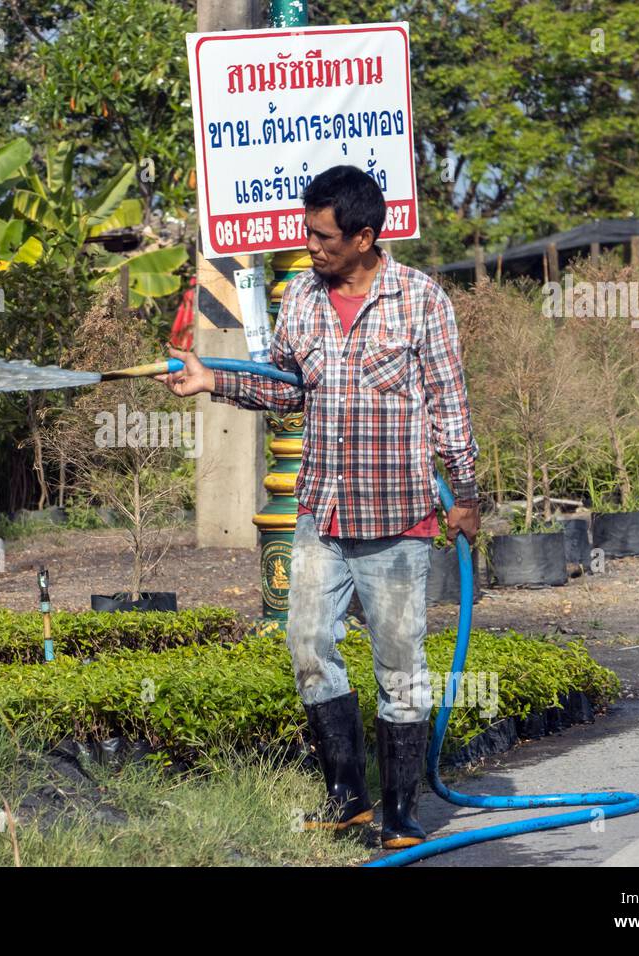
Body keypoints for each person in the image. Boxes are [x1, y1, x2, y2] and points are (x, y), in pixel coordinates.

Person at [157, 165, 479, 847]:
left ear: (364, 237)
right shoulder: (301, 296)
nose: (310, 246)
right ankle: (348, 800)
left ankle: (400, 815)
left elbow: (451, 405)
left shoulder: (421, 300)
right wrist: (214, 380)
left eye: (324, 236)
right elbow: (284, 389)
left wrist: (467, 493)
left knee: (399, 665)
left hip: (398, 517)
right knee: (307, 645)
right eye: (307, 232)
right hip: (321, 512)